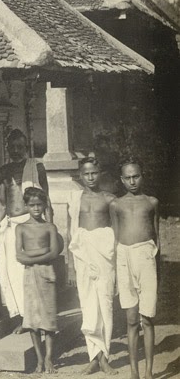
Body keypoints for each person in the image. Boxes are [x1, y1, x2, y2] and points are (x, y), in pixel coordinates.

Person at [0, 129, 52, 329]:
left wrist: (49, 227)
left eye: (20, 147)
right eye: (13, 147)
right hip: (11, 225)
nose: (16, 151)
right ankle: (22, 317)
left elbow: (46, 199)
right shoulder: (4, 171)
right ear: (7, 149)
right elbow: (2, 204)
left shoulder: (37, 167)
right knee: (13, 271)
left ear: (26, 147)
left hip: (32, 224)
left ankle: (35, 317)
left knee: (30, 270)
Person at [110, 159, 159, 379]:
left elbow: (157, 238)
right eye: (127, 177)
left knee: (146, 317)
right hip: (124, 257)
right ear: (121, 180)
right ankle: (134, 372)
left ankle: (148, 371)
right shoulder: (116, 205)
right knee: (131, 319)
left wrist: (158, 267)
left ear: (142, 175)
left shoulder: (151, 202)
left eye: (136, 176)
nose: (132, 181)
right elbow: (115, 238)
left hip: (146, 255)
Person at [69, 156, 117, 375]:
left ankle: (105, 357)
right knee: (88, 307)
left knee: (105, 306)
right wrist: (71, 265)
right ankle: (94, 357)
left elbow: (115, 235)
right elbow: (71, 234)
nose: (90, 177)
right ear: (80, 175)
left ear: (100, 174)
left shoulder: (109, 199)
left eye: (94, 173)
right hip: (83, 257)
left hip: (104, 257)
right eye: (86, 173)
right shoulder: (75, 198)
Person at [16, 187, 62, 374]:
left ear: (44, 205)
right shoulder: (21, 228)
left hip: (47, 273)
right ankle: (40, 360)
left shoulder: (50, 227)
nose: (36, 208)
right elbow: (19, 256)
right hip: (29, 275)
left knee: (49, 318)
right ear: (26, 206)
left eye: (39, 204)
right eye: (32, 205)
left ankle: (50, 358)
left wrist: (32, 255)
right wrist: (42, 253)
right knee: (33, 320)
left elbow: (54, 252)